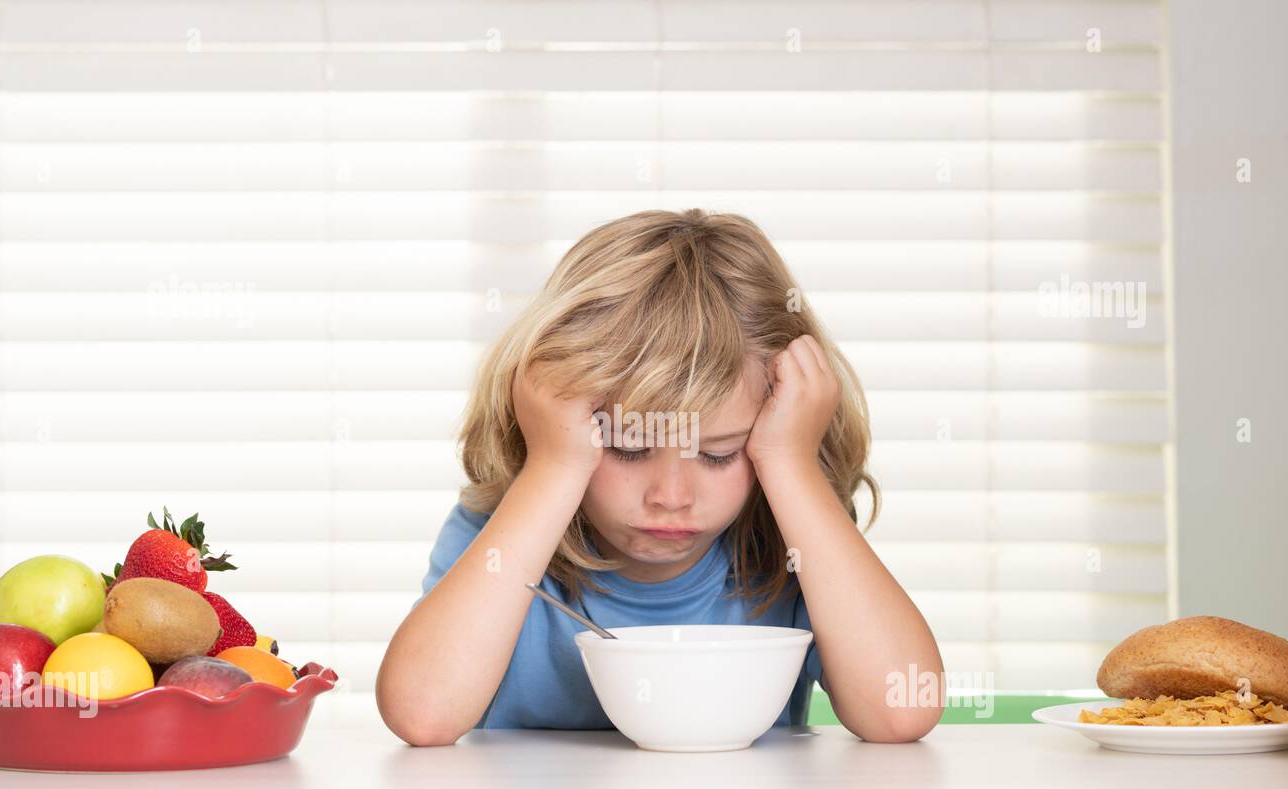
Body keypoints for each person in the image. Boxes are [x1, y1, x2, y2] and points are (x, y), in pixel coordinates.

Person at [376, 208, 944, 744]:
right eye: (626, 448)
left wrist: (793, 468)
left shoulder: (789, 535)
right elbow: (423, 714)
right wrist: (553, 467)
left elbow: (902, 709)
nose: (671, 498)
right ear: (552, 423)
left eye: (719, 454)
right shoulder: (499, 532)